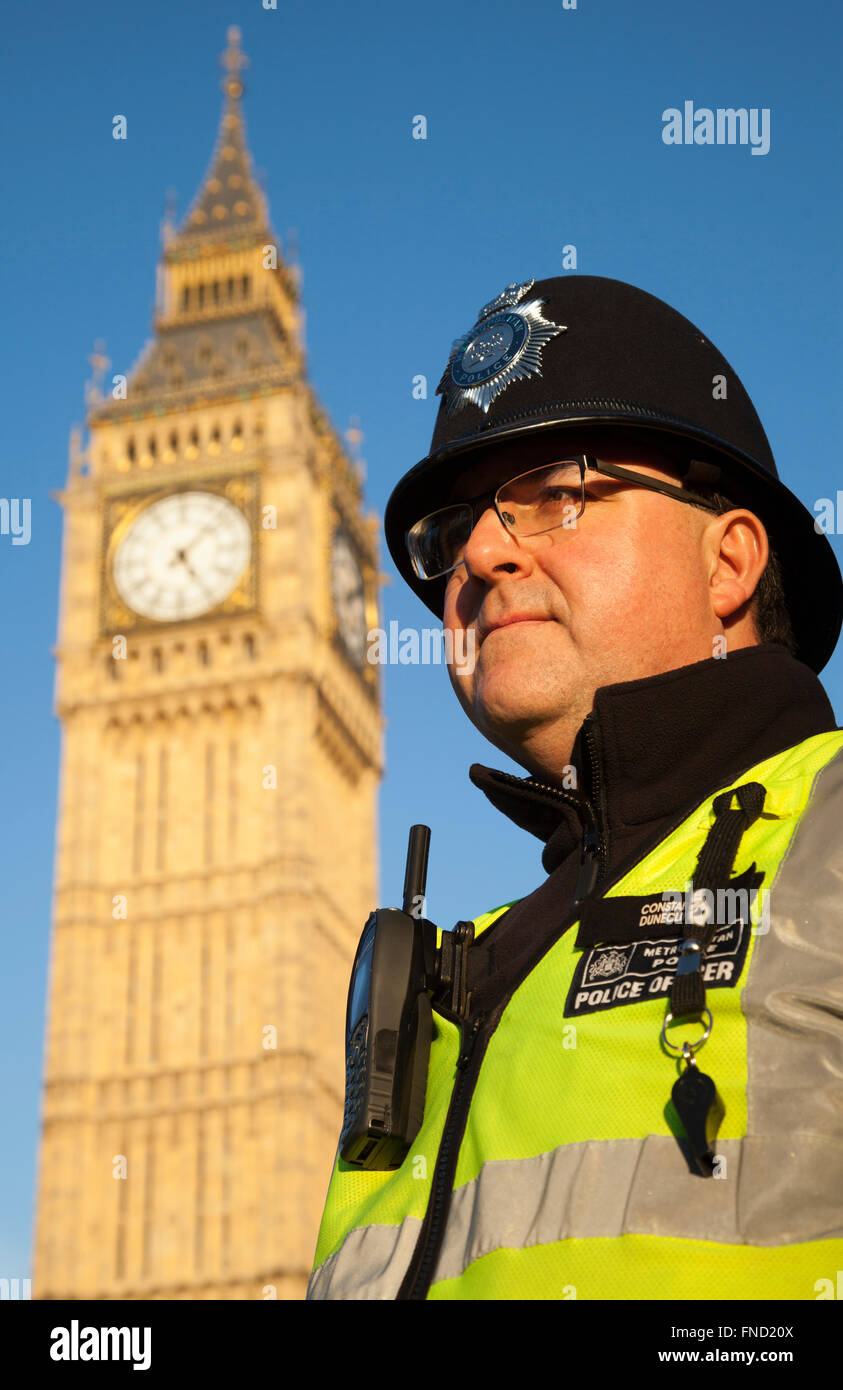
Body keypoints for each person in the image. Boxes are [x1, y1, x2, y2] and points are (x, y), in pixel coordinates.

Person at [306, 274, 843, 1300]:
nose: (480, 551)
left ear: (728, 561)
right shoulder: (448, 980)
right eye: (455, 527)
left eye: (559, 492)